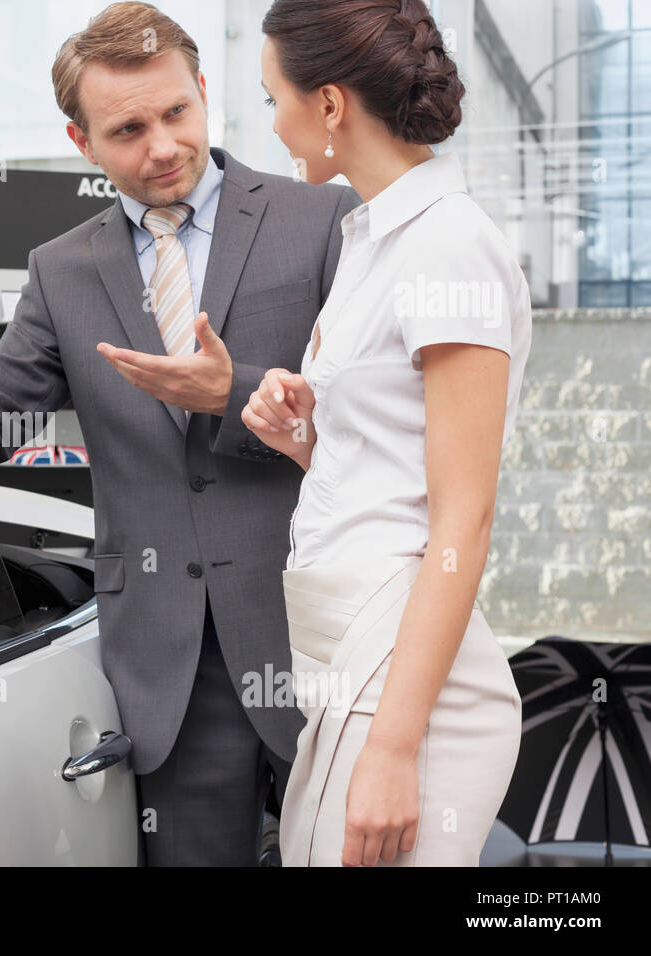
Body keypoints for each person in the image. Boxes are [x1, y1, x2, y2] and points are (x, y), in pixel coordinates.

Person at [0, 1, 358, 866]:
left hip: (323, 632)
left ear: (205, 92)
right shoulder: (63, 269)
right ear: (82, 142)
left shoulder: (319, 221)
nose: (163, 145)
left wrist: (235, 392)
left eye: (176, 113)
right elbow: (1, 407)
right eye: (128, 129)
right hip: (171, 661)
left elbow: (373, 417)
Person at [241, 0, 531, 866]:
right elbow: (392, 461)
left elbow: (461, 520)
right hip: (349, 653)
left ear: (329, 105)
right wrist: (305, 440)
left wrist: (395, 749)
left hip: (400, 670)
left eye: (272, 99)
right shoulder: (372, 239)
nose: (274, 125)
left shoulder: (445, 245)